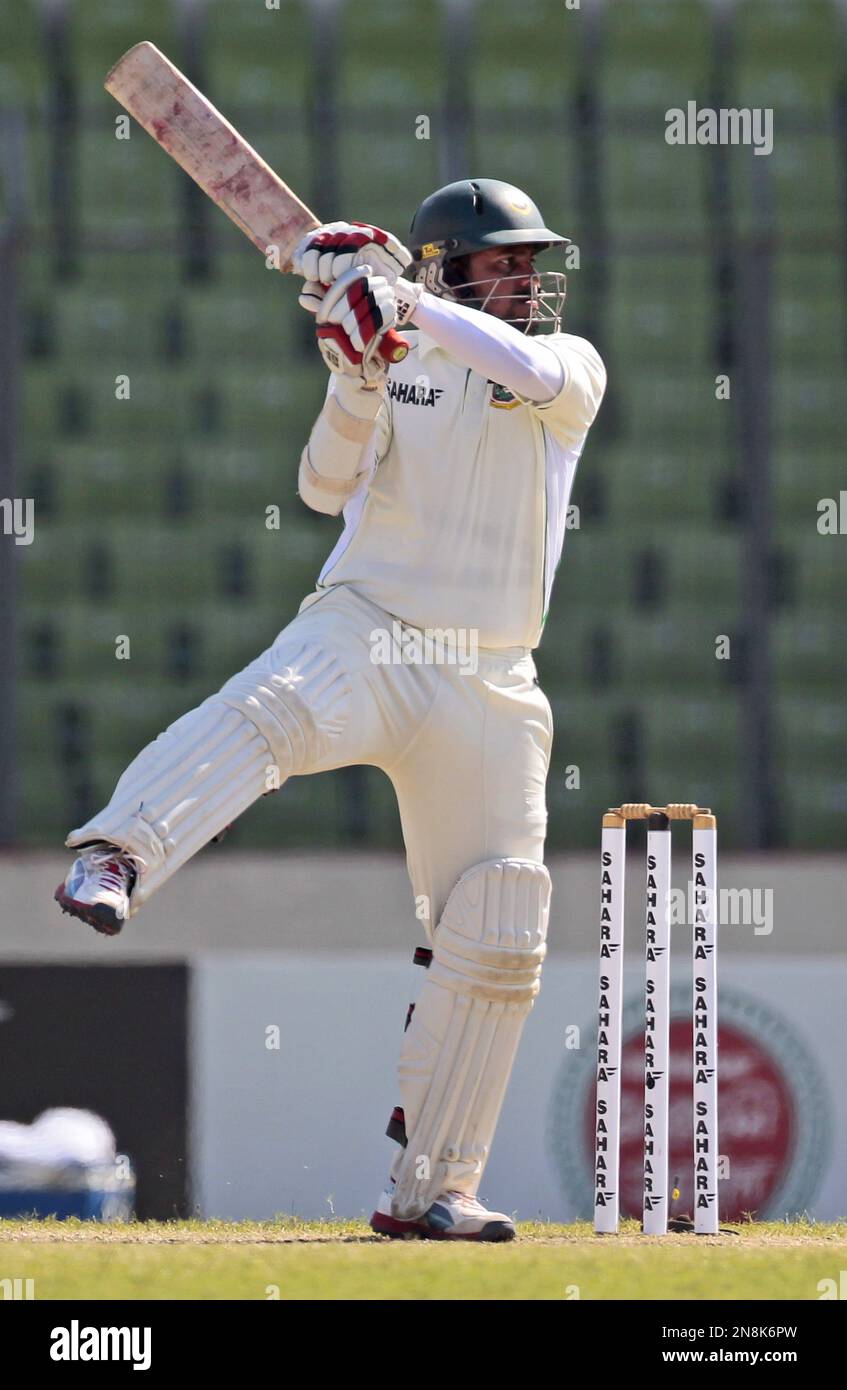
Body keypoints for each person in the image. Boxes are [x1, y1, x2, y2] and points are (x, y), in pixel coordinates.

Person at [55, 178, 606, 1241]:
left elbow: (526, 363)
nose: (527, 281)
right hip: (371, 631)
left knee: (499, 922)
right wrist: (356, 378)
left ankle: (435, 1190)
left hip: (493, 679)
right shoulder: (400, 364)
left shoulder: (566, 368)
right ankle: (117, 853)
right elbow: (321, 484)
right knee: (271, 712)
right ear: (452, 264)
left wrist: (402, 302)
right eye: (503, 262)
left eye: (532, 264)